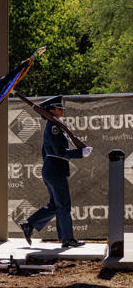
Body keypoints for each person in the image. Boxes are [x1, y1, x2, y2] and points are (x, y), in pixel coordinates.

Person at [20, 96, 92, 248]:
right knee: (64, 205)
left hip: (52, 170)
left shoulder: (56, 126)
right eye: (59, 109)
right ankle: (67, 239)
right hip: (55, 170)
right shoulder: (54, 128)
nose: (62, 111)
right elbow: (59, 152)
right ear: (51, 110)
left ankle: (29, 224)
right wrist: (79, 153)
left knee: (55, 205)